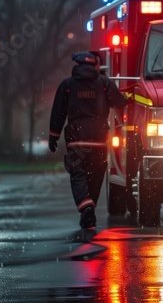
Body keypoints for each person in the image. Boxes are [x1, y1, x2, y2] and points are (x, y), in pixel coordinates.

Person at [49, 51, 128, 238]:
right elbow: (120, 102)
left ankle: (86, 207)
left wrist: (54, 135)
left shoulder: (67, 85)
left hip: (77, 141)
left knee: (78, 175)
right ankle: (88, 210)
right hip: (99, 140)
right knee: (96, 175)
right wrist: (129, 99)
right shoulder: (104, 83)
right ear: (95, 65)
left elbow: (58, 111)